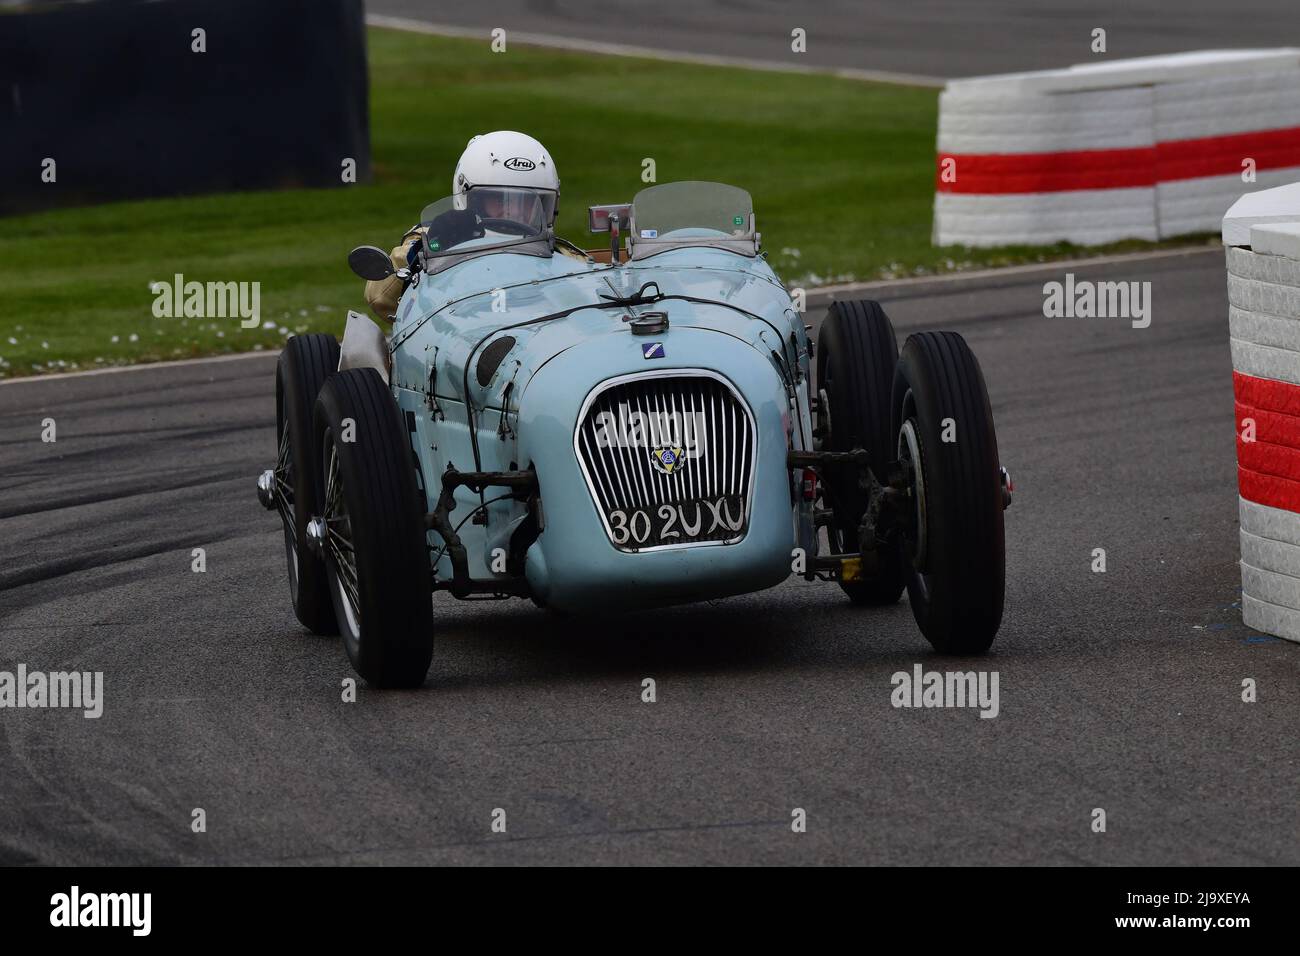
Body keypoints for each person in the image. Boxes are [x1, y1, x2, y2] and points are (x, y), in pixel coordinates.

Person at [364, 131, 581, 322]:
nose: (513, 213)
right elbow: (379, 298)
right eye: (499, 201)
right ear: (468, 197)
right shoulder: (433, 238)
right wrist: (432, 250)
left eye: (526, 204)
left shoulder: (562, 256)